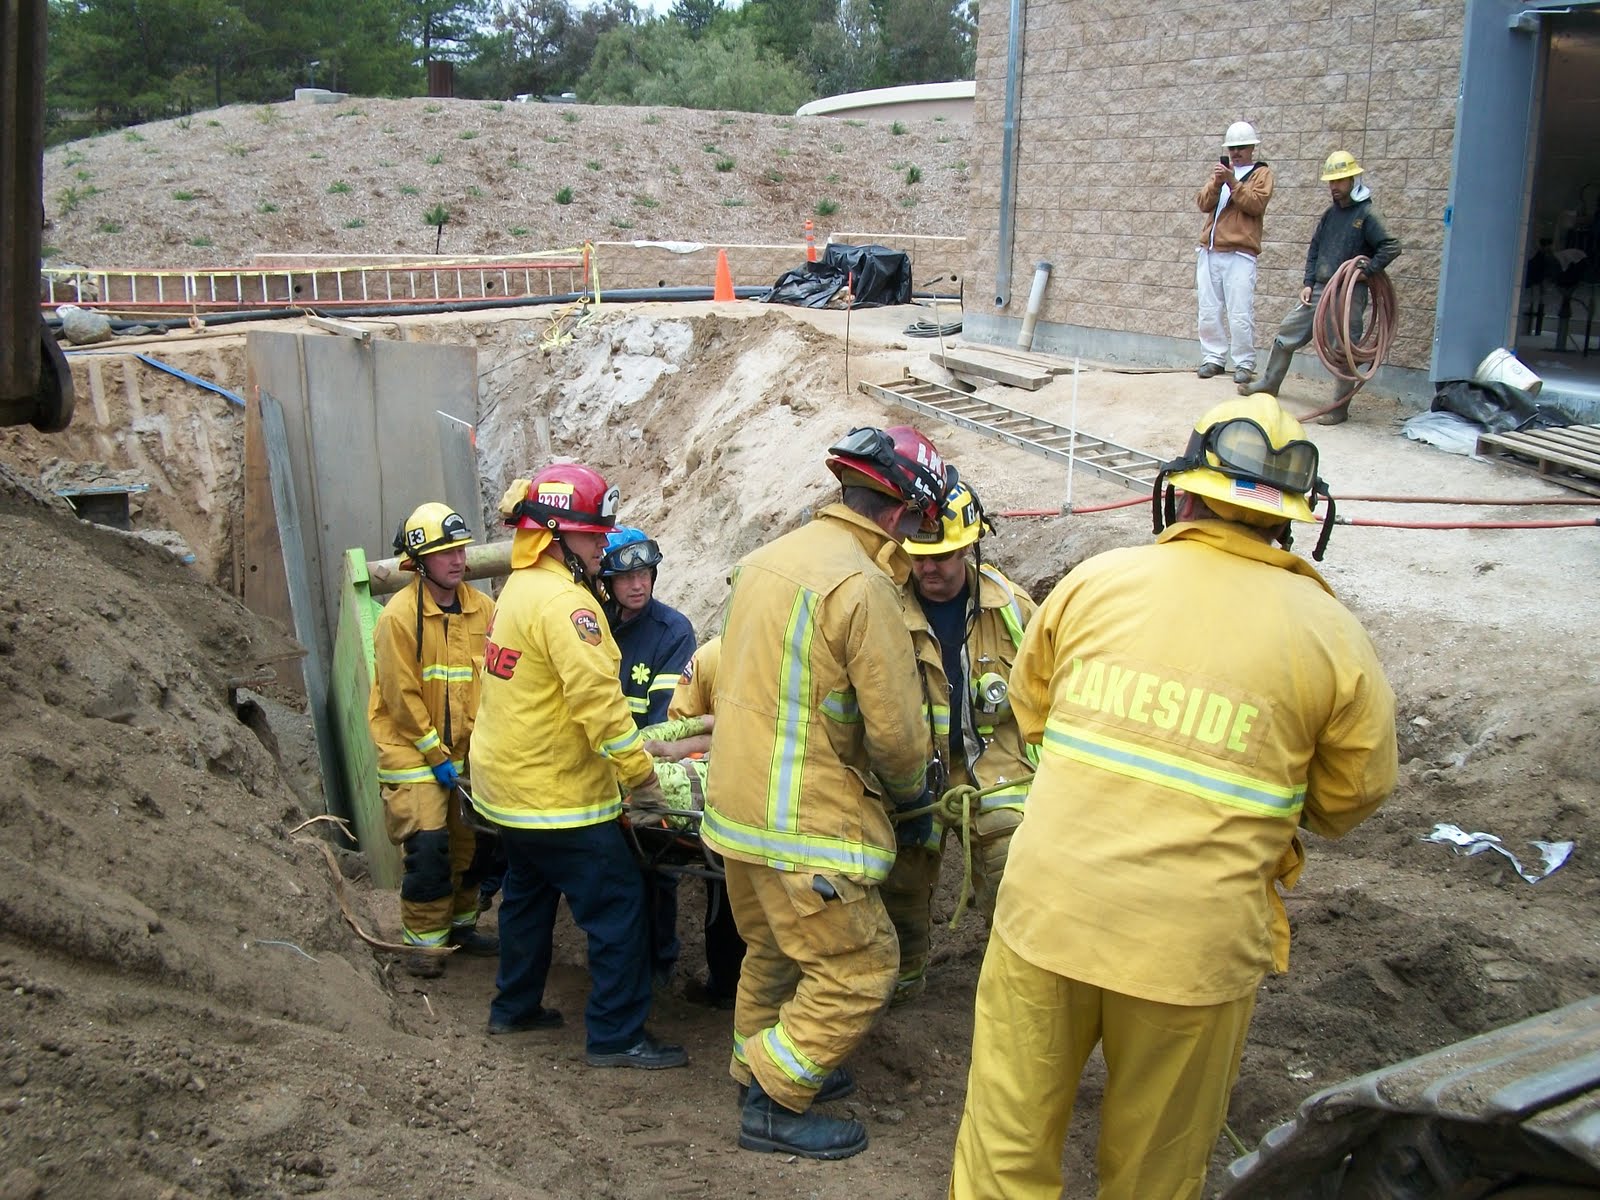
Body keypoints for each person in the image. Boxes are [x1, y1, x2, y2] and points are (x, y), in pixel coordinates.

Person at [949, 395, 1398, 1200]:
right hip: (1192, 951)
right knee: (1156, 1172)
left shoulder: (1096, 584)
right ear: (1294, 521)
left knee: (1006, 1152)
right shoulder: (1335, 639)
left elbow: (1035, 712)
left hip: (1049, 914)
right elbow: (1347, 799)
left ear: (1182, 496)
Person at [704, 424, 953, 1161]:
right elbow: (900, 737)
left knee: (775, 954)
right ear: (900, 511)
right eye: (919, 520)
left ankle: (756, 1060)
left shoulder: (765, 562)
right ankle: (776, 1101)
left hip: (737, 815)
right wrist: (913, 803)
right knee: (859, 964)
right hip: (804, 826)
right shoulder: (862, 586)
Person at [468, 463, 687, 1071]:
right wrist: (643, 782)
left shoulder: (517, 588)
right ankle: (617, 1035)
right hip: (557, 795)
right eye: (592, 535)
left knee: (528, 896)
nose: (602, 545)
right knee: (618, 907)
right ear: (558, 537)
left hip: (506, 790)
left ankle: (514, 1007)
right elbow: (603, 708)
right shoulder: (570, 607)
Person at [879, 480, 1037, 1004]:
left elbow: (1047, 696)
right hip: (915, 773)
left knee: (1012, 868)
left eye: (944, 555)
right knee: (901, 879)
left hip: (994, 773)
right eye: (919, 555)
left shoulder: (1011, 610)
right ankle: (901, 988)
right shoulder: (881, 608)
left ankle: (1012, 987)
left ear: (972, 545)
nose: (930, 568)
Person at [367, 501, 497, 979]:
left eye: (461, 549)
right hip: (411, 749)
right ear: (419, 563)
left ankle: (461, 927)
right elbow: (401, 700)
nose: (457, 560)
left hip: (466, 750)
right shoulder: (398, 619)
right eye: (445, 553)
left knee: (475, 844)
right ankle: (424, 944)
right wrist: (434, 753)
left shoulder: (484, 610)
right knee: (429, 847)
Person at [599, 526, 698, 989]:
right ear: (606, 582)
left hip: (645, 772)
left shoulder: (672, 632)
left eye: (644, 573)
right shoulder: (589, 624)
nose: (637, 584)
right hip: (595, 771)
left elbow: (664, 720)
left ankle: (659, 962)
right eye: (625, 577)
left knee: (655, 870)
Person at [1241, 148, 1402, 425]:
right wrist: (1307, 282)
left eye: (1339, 181)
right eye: (1331, 182)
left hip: (1348, 292)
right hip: (1319, 289)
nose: (1334, 187)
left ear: (1353, 180)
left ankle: (1338, 407)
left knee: (1343, 348)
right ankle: (1269, 383)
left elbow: (1391, 246)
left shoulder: (1367, 214)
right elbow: (1315, 248)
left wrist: (1368, 270)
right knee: (1287, 332)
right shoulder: (1330, 215)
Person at [661, 635, 746, 1009]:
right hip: (725, 801)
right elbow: (683, 725)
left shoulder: (803, 650)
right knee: (727, 891)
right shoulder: (713, 656)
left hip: (780, 800)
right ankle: (727, 983)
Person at [1196, 120, 1273, 385]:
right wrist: (1218, 183)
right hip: (1211, 251)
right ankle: (1213, 358)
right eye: (1232, 148)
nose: (1236, 153)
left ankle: (1244, 363)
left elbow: (1255, 204)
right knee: (1208, 309)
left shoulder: (1261, 174)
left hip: (1240, 254)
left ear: (1252, 148)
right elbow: (1203, 203)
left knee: (1240, 312)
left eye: (1241, 147)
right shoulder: (1223, 173)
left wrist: (1233, 183)